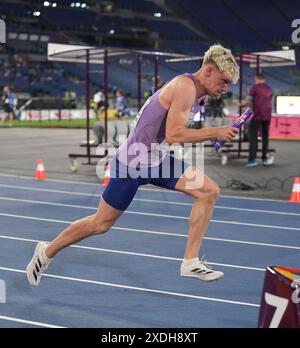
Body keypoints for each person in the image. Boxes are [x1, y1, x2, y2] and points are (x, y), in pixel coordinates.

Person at [26, 44, 240, 286]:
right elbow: (174, 134)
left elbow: (168, 135)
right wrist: (216, 132)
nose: (224, 88)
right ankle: (46, 251)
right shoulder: (185, 86)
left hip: (156, 159)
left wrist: (215, 135)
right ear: (209, 70)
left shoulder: (199, 95)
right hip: (132, 162)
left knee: (208, 191)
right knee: (100, 224)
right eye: (223, 81)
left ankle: (190, 262)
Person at [240, 73, 273, 167]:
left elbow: (248, 101)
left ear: (257, 79)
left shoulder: (255, 87)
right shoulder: (269, 89)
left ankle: (252, 160)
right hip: (267, 117)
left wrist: (241, 105)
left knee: (253, 138)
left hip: (257, 116)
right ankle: (264, 159)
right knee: (265, 138)